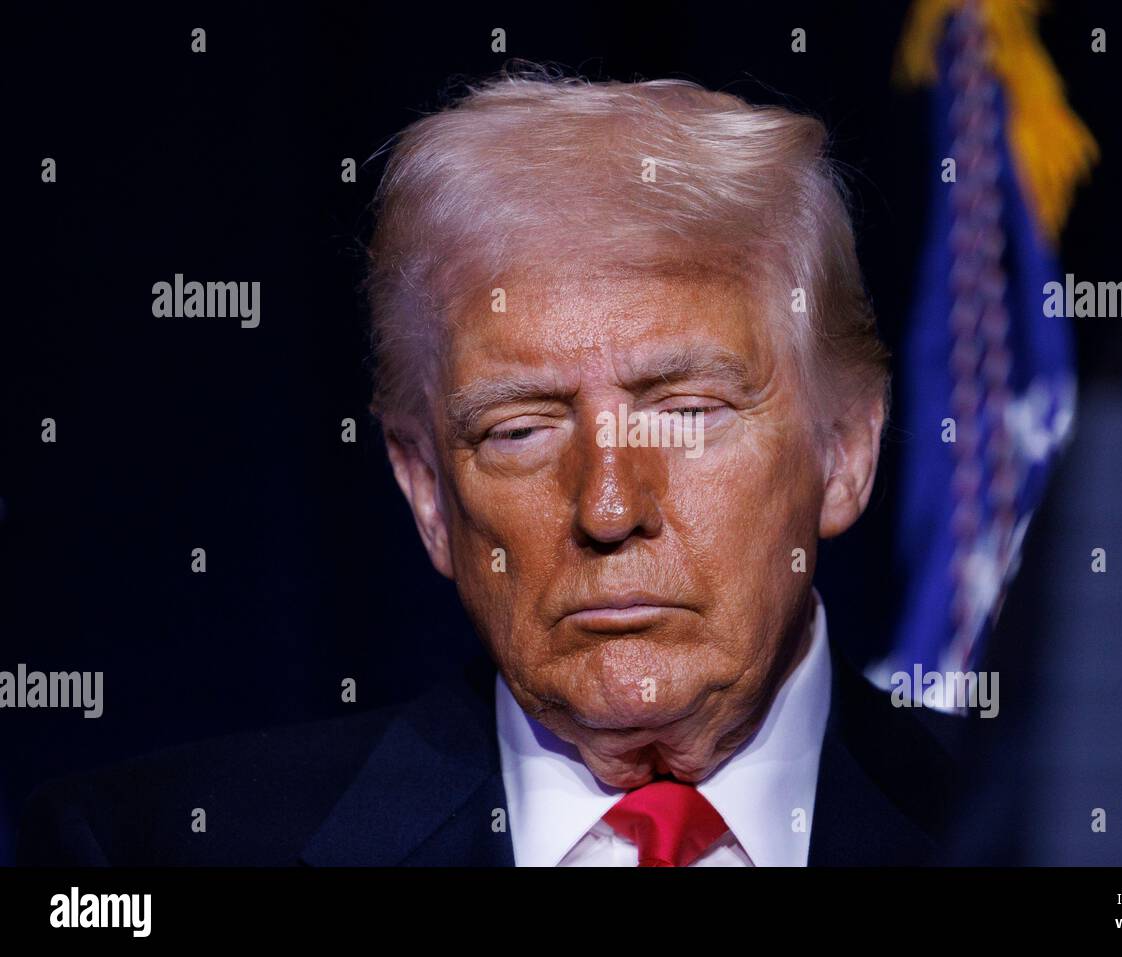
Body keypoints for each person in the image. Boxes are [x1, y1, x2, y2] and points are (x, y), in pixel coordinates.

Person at [19, 70, 955, 867]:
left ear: (845, 450)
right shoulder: (148, 850)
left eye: (684, 415)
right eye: (519, 429)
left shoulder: (1044, 835)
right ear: (427, 490)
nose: (609, 504)